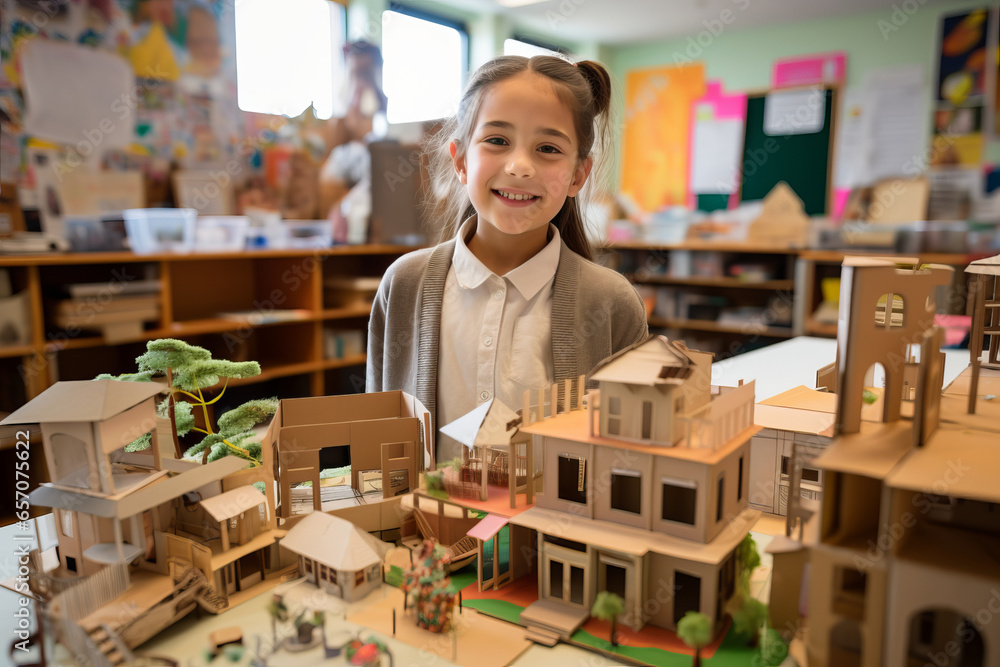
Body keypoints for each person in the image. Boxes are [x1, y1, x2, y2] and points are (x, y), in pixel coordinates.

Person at [367, 55, 648, 462]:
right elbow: (377, 431)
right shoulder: (404, 283)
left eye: (548, 148)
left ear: (577, 175)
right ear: (461, 160)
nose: (519, 167)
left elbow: (630, 455)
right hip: (424, 523)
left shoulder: (612, 302)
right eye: (497, 140)